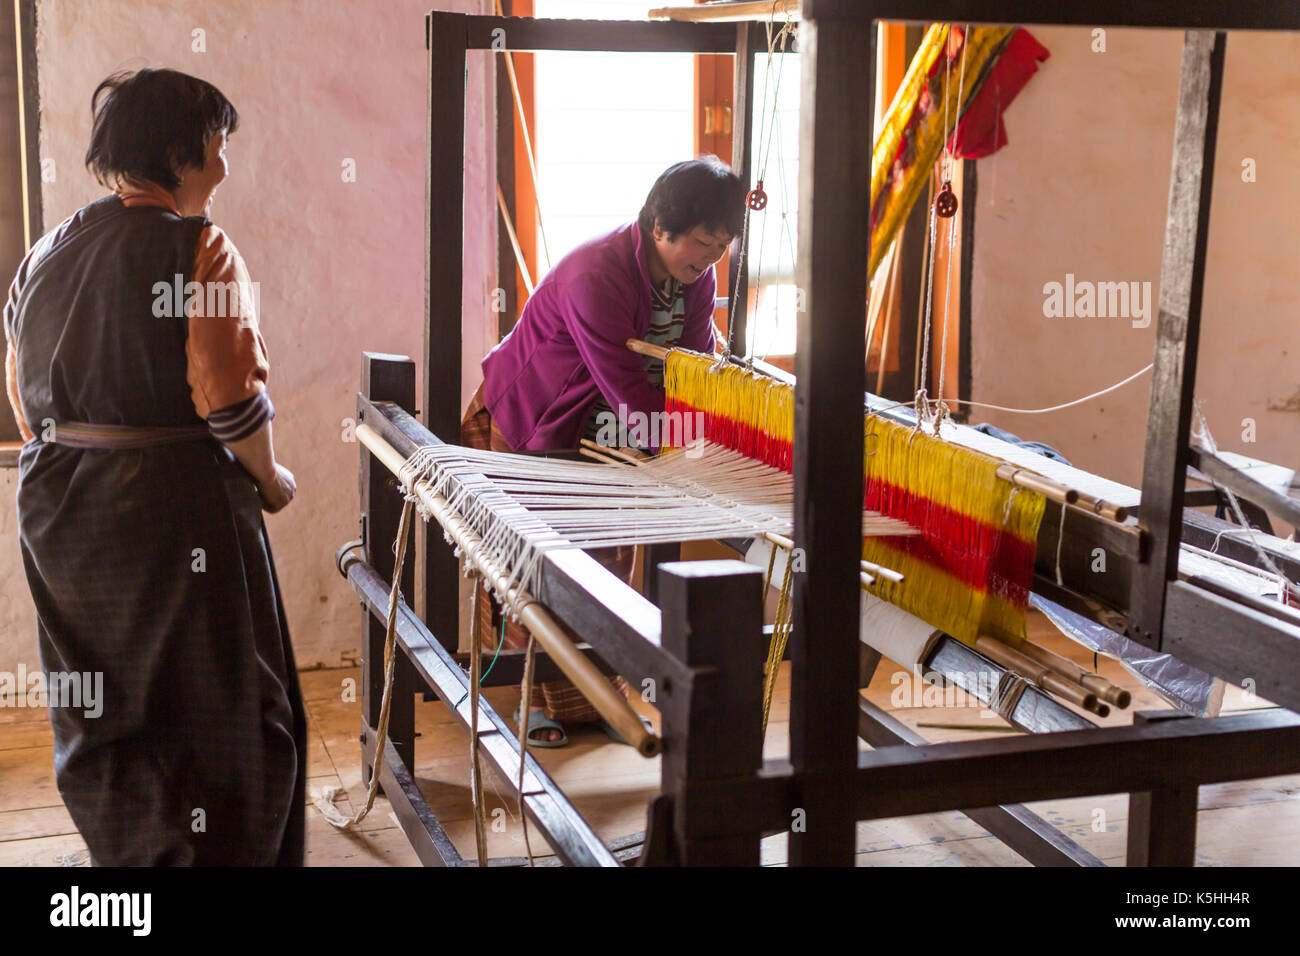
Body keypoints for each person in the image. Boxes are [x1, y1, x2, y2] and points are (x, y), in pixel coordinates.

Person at [4, 68, 305, 865]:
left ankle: (132, 867)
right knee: (222, 699)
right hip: (171, 513)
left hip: (57, 510)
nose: (227, 164)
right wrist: (270, 482)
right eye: (220, 144)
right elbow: (231, 404)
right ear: (183, 151)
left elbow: (27, 405)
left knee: (102, 706)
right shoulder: (199, 246)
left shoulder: (46, 251)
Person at [462, 156, 746, 745]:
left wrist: (719, 429)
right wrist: (691, 452)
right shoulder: (598, 273)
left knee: (607, 561)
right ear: (662, 225)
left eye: (721, 248)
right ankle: (527, 704)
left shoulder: (698, 280)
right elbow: (628, 389)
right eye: (702, 243)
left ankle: (595, 698)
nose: (710, 259)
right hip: (539, 420)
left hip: (612, 433)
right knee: (530, 563)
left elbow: (692, 371)